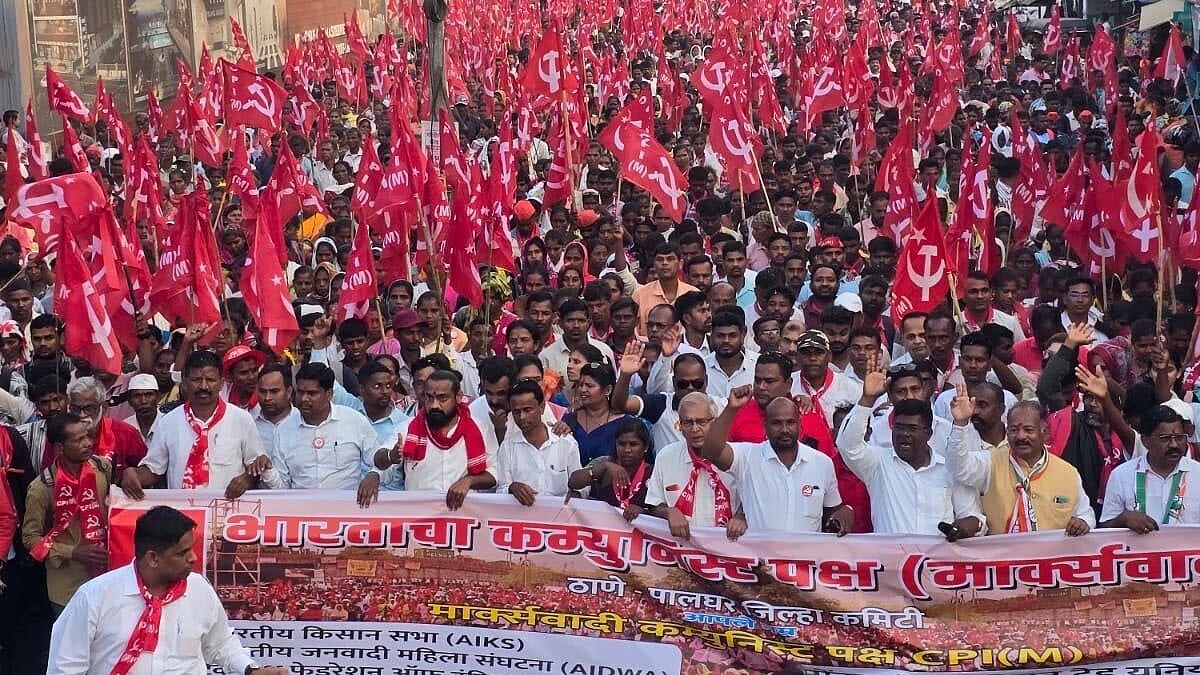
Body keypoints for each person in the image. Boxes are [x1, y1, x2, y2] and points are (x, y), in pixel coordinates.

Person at [47, 506, 289, 675]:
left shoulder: (199, 590)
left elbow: (221, 644)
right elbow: (66, 668)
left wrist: (251, 669)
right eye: (182, 553)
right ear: (153, 558)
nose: (193, 558)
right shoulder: (94, 598)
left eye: (191, 549)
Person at [836, 356, 985, 538]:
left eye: (912, 429)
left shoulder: (950, 469)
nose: (904, 434)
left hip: (937, 562)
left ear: (929, 434)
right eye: (899, 428)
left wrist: (967, 525)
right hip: (891, 563)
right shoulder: (877, 464)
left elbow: (975, 518)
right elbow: (847, 445)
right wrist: (867, 399)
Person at [121, 351, 279, 500]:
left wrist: (246, 479)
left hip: (227, 514)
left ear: (221, 383)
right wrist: (133, 473)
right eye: (196, 380)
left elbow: (257, 466)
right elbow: (154, 469)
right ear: (184, 383)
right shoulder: (169, 422)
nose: (204, 386)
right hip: (182, 517)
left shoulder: (241, 419)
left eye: (210, 380)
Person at [701, 386, 854, 534]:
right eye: (777, 423)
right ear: (765, 426)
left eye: (790, 422)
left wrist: (845, 513)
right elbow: (711, 451)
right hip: (762, 558)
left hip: (805, 558)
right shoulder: (747, 457)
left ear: (800, 425)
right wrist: (731, 408)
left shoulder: (822, 463)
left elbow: (832, 511)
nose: (784, 429)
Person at [945, 389, 1094, 536]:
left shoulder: (1068, 473)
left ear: (1045, 432)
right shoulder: (991, 462)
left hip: (1048, 557)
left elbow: (1086, 515)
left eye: (1028, 430)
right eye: (1014, 430)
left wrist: (1082, 522)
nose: (1021, 436)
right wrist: (960, 424)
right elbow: (958, 467)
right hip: (1002, 558)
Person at [363, 370, 497, 508]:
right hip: (420, 516)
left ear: (458, 397)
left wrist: (468, 481)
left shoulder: (480, 428)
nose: (434, 405)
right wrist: (390, 456)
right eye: (429, 398)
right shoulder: (408, 428)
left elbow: (494, 474)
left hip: (463, 516)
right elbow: (380, 460)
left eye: (442, 398)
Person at [21, 413, 110, 614]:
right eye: (79, 440)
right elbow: (30, 538)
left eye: (87, 436)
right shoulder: (41, 488)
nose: (88, 443)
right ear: (59, 448)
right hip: (67, 587)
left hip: (105, 577)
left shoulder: (102, 468)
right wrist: (72, 552)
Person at [272, 363, 388, 490]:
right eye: (300, 392)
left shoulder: (354, 421)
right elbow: (281, 486)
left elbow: (383, 466)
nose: (304, 399)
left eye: (312, 393)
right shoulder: (283, 430)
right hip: (302, 508)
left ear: (329, 394)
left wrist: (375, 474)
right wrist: (267, 472)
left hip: (347, 507)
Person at [645, 392, 741, 537]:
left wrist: (741, 517)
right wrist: (669, 512)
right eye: (688, 423)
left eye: (702, 422)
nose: (695, 429)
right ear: (679, 425)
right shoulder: (666, 457)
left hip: (727, 548)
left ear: (714, 422)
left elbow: (751, 503)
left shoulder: (736, 456)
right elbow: (654, 503)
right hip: (683, 549)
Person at [1101, 405, 1200, 530]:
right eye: (1165, 439)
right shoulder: (1121, 475)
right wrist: (1124, 519)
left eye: (1180, 438)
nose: (1174, 445)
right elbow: (1104, 527)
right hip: (1138, 548)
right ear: (1145, 441)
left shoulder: (1197, 474)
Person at [495, 380, 581, 503]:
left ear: (541, 408)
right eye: (516, 412)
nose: (522, 417)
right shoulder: (508, 446)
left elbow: (581, 487)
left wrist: (574, 496)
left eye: (527, 410)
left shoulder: (566, 442)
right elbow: (500, 490)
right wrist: (512, 488)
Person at [252, 363, 298, 460]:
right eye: (262, 391)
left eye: (274, 391)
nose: (267, 398)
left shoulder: (302, 422)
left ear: (289, 392)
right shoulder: (249, 423)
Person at [123, 374, 160, 444]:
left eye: (148, 395)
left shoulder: (168, 424)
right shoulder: (123, 427)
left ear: (158, 397)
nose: (143, 401)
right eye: (137, 396)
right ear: (129, 400)